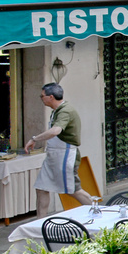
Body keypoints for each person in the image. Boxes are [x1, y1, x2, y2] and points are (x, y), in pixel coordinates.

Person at [25, 83, 95, 217]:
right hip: (53, 155)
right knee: (42, 188)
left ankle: (100, 211)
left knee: (73, 189)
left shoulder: (65, 111)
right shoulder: (57, 111)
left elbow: (56, 131)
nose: (41, 98)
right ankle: (40, 222)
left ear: (51, 97)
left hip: (65, 155)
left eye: (42, 96)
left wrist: (35, 139)